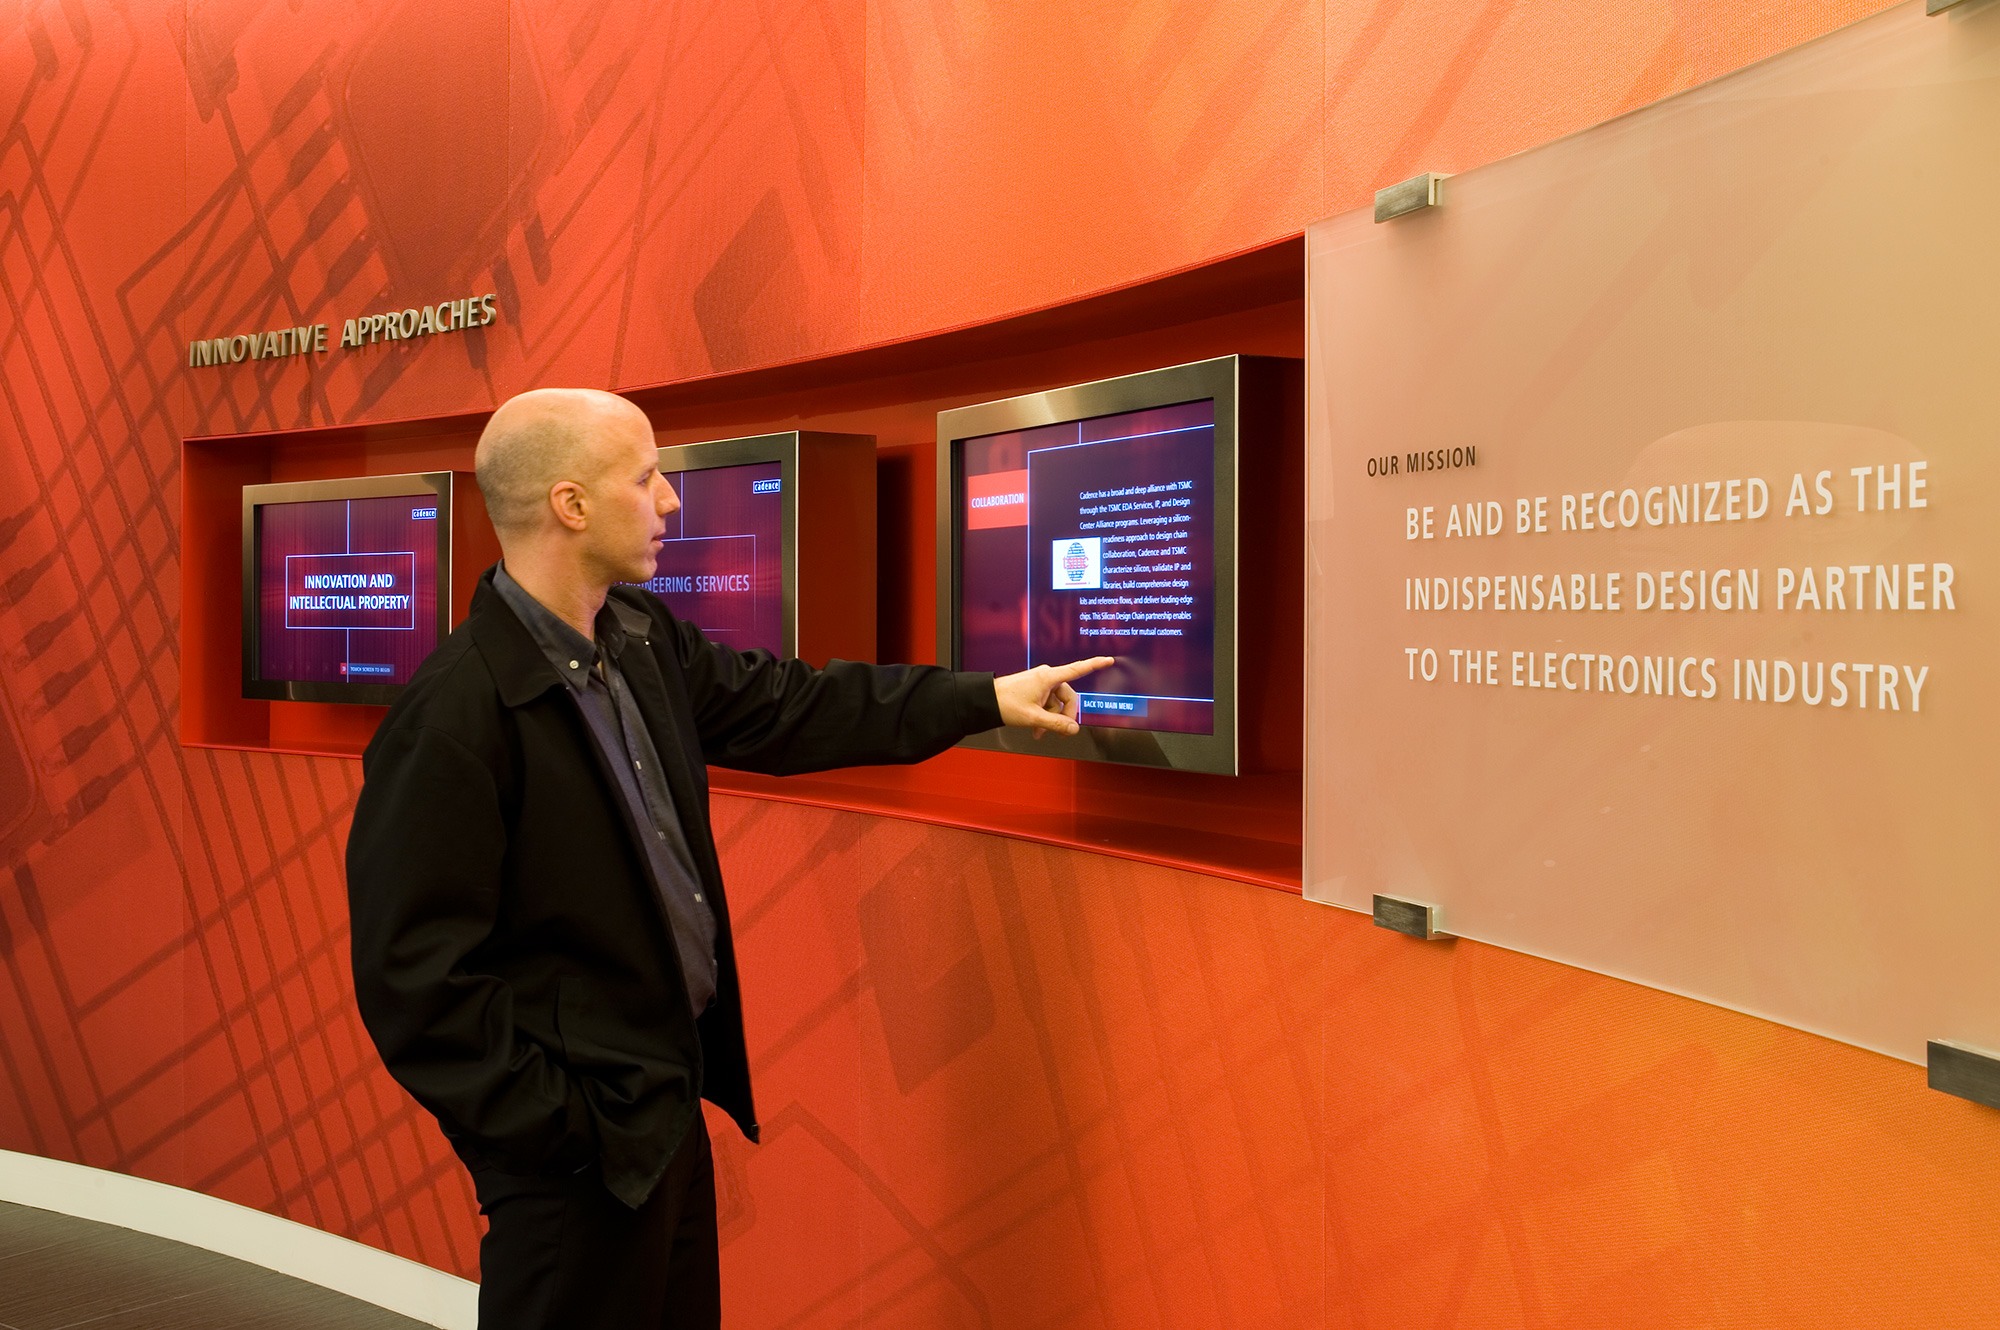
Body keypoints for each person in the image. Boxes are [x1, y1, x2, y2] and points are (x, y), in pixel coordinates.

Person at [345, 387, 1109, 1330]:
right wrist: (562, 1134)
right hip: (579, 1155)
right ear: (570, 506)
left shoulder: (638, 639)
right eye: (648, 478)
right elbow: (414, 984)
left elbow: (792, 708)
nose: (671, 502)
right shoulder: (456, 715)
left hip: (660, 1114)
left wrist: (984, 698)